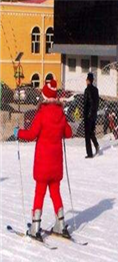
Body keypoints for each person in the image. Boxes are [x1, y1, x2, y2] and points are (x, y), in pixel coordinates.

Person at [14, 79, 73, 241]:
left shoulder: (41, 114)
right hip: (56, 163)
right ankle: (60, 224)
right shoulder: (60, 114)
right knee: (55, 191)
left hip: (43, 163)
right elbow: (68, 133)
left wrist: (18, 133)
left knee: (40, 192)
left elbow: (32, 134)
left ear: (45, 97)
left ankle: (35, 226)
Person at [84, 72, 99, 158]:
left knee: (87, 135)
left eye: (86, 80)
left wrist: (86, 115)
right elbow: (96, 103)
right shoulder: (96, 90)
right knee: (91, 132)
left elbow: (86, 104)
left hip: (88, 116)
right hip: (93, 115)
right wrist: (93, 114)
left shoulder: (87, 90)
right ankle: (96, 144)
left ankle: (89, 153)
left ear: (88, 81)